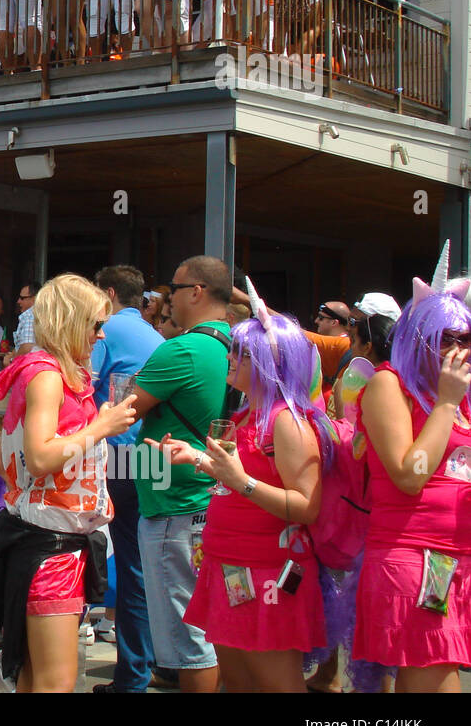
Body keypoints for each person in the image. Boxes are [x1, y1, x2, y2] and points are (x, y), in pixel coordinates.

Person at [157, 284, 330, 691]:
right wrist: (198, 458)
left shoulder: (287, 421)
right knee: (236, 683)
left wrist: (242, 482)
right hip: (229, 566)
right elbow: (237, 478)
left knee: (275, 683)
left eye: (240, 353)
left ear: (270, 362)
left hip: (269, 572)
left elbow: (307, 506)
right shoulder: (247, 415)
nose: (229, 359)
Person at [0, 274, 137, 691]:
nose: (100, 336)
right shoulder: (48, 375)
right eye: (94, 325)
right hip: (49, 548)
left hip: (51, 543)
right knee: (57, 682)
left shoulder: (55, 373)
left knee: (37, 676)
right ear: (69, 321)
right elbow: (41, 455)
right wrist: (101, 427)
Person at [353, 252, 471, 691]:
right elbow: (409, 473)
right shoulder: (390, 385)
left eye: (466, 336)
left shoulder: (458, 398)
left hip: (455, 558)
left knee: (441, 674)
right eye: (446, 337)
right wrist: (444, 402)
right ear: (419, 337)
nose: (458, 348)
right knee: (434, 678)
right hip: (416, 558)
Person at [127, 255, 233, 694]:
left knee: (190, 641)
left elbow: (126, 408)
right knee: (211, 630)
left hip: (173, 503)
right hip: (212, 497)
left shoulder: (184, 349)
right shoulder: (236, 342)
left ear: (197, 291)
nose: (165, 295)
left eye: (173, 286)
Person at [88, 265, 164, 693]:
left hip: (117, 457)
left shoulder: (109, 328)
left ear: (110, 293)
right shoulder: (153, 334)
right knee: (141, 564)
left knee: (125, 562)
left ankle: (132, 674)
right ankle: (143, 664)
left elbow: (83, 380)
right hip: (147, 457)